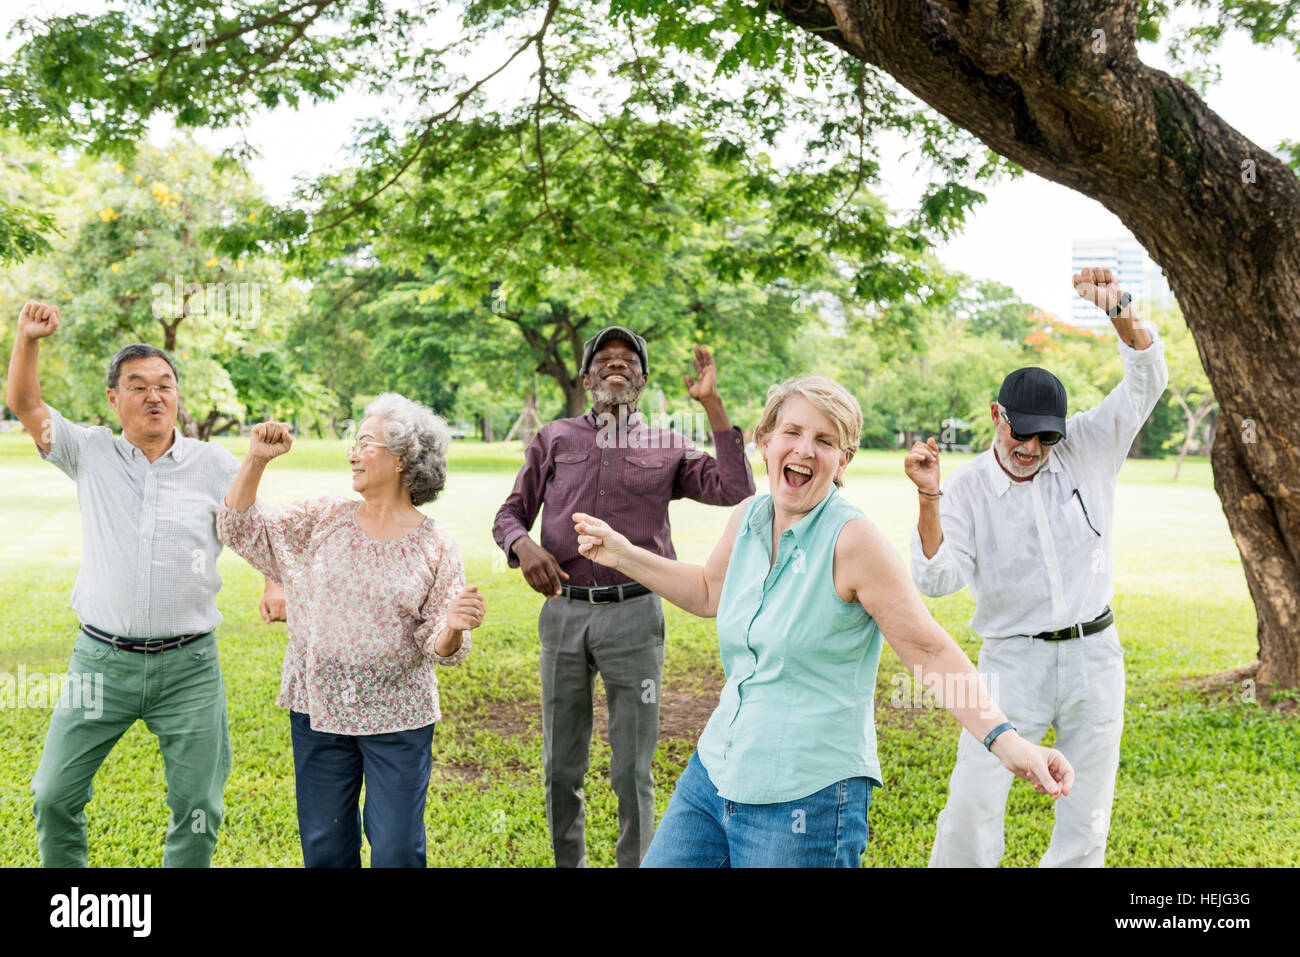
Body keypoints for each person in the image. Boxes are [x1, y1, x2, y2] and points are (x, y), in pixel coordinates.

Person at [572, 375, 1074, 867]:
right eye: (792, 432)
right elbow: (709, 590)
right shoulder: (749, 517)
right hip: (713, 776)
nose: (805, 450)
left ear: (842, 461)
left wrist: (1006, 741)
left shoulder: (853, 540)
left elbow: (928, 650)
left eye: (825, 440)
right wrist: (623, 554)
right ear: (764, 443)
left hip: (805, 797)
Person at [906, 267, 1169, 868]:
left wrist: (1120, 309)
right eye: (1020, 435)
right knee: (975, 792)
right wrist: (929, 498)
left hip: (1094, 653)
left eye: (1044, 440)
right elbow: (937, 579)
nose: (1030, 450)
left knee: (1088, 802)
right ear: (997, 415)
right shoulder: (968, 487)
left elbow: (1147, 380)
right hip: (1011, 658)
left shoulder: (1087, 444)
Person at [492, 326, 755, 868]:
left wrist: (712, 404)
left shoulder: (668, 445)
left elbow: (735, 490)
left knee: (632, 767)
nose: (617, 364)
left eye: (629, 359)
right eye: (605, 359)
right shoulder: (554, 439)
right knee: (561, 764)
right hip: (564, 616)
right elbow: (509, 513)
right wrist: (524, 546)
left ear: (642, 378)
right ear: (588, 379)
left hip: (635, 617)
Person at [6, 302, 238, 867]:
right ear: (114, 399)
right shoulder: (89, 452)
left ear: (177, 396)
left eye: (165, 384)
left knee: (198, 807)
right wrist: (27, 339)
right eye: (137, 386)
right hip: (101, 663)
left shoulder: (216, 464)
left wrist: (276, 583)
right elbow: (25, 405)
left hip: (189, 669)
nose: (154, 395)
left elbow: (258, 527)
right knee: (53, 794)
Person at [217, 393, 484, 868]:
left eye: (366, 442)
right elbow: (239, 528)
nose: (352, 453)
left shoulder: (435, 543)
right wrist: (256, 460)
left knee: (398, 850)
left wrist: (453, 629)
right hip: (318, 709)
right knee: (325, 848)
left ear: (402, 459)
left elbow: (440, 647)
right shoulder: (324, 518)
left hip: (399, 719)